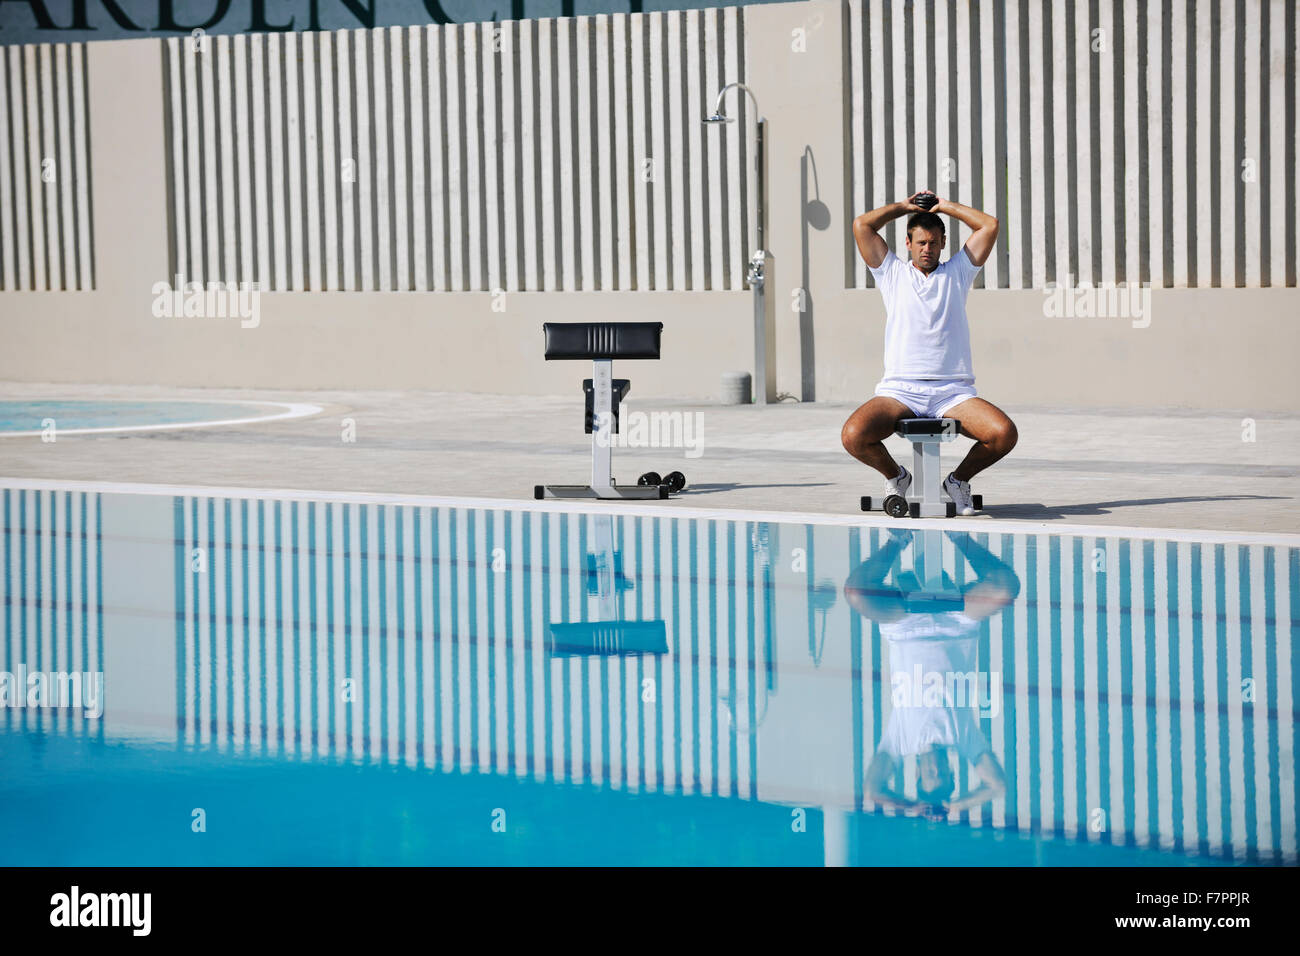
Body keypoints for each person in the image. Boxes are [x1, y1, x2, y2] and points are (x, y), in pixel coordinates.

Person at [842, 192, 1017, 516]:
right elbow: (862, 225)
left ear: (943, 243)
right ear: (908, 243)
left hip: (952, 392)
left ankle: (957, 482)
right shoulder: (891, 273)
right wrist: (904, 207)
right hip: (900, 390)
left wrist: (944, 207)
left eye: (934, 242)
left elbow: (989, 225)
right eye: (921, 242)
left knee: (1003, 434)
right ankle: (897, 476)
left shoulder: (958, 272)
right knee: (854, 435)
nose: (928, 249)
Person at [844, 529, 1018, 818]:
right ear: (952, 772)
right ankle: (960, 537)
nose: (935, 768)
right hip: (957, 625)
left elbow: (872, 790)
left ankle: (897, 541)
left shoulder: (900, 741)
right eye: (942, 774)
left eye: (929, 774)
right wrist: (957, 806)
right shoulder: (964, 739)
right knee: (1006, 587)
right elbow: (997, 788)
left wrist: (910, 806)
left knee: (856, 593)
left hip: (905, 628)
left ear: (916, 775)